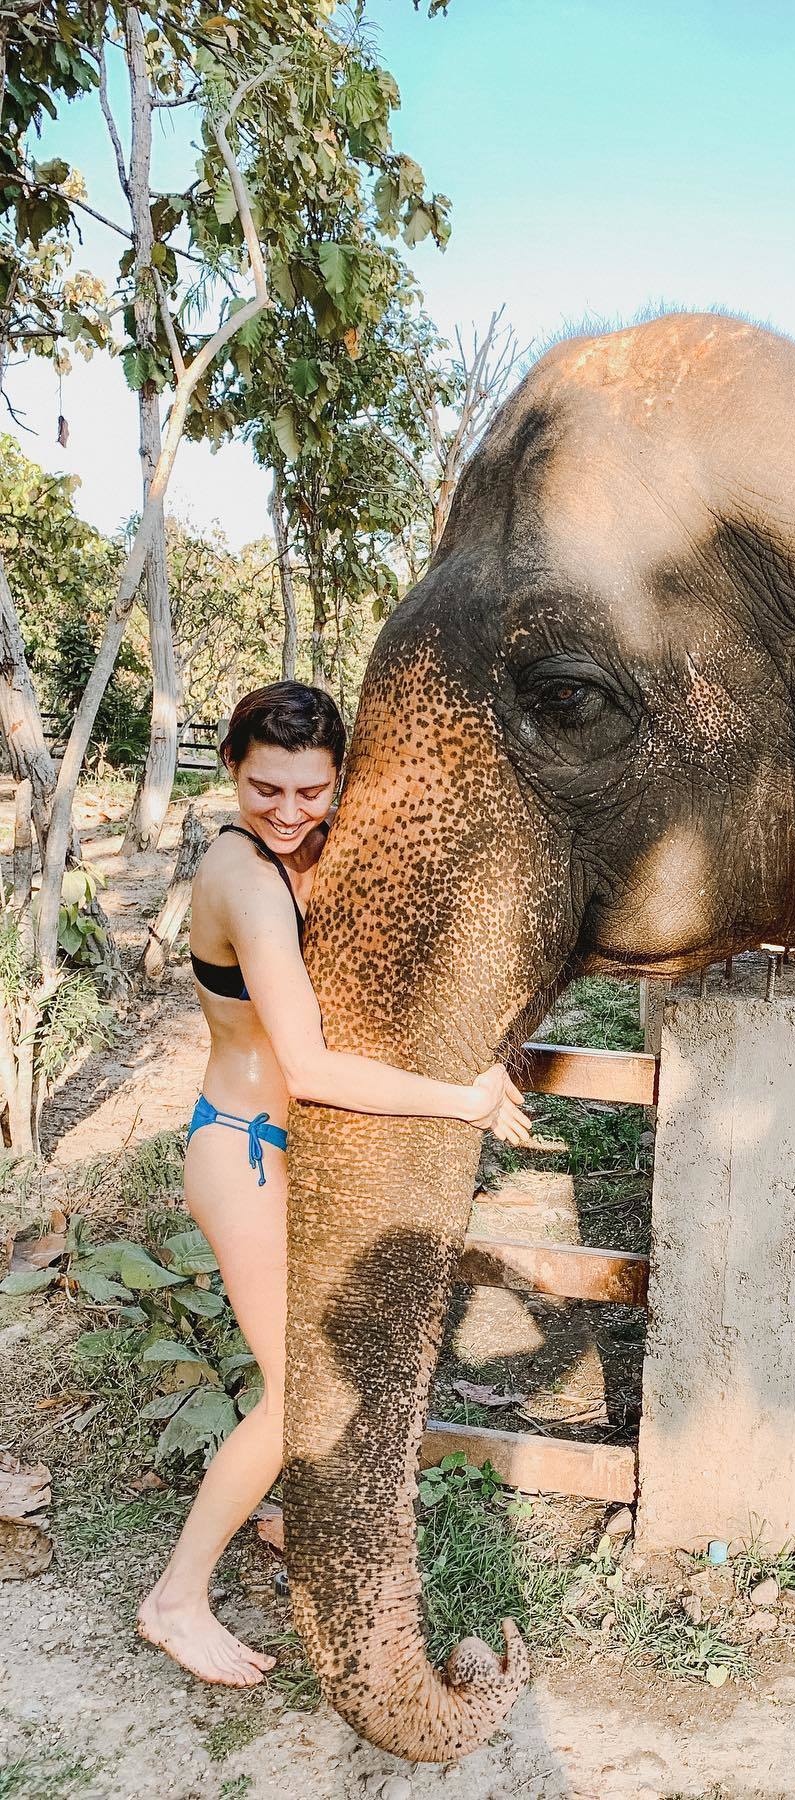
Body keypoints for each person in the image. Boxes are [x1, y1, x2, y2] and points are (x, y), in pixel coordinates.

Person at [136, 681, 533, 1688]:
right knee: (298, 1389)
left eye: (313, 791)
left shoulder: (302, 848)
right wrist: (459, 1100)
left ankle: (280, 1514)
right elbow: (306, 1066)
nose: (290, 811)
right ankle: (174, 1600)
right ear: (231, 767)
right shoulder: (247, 880)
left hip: (284, 1152)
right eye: (268, 788)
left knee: (312, 1364)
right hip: (242, 1151)